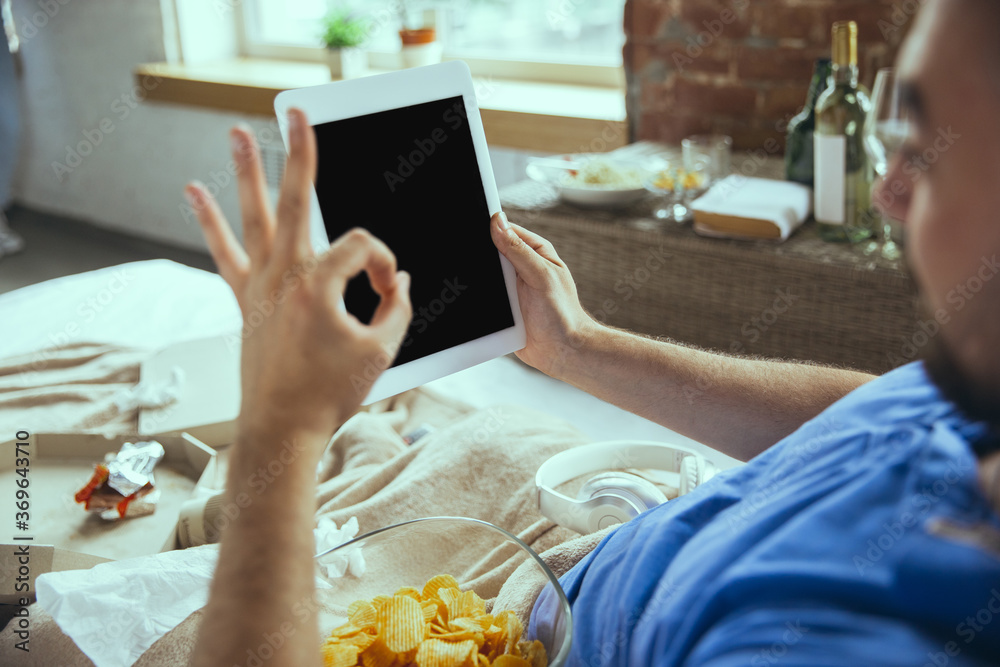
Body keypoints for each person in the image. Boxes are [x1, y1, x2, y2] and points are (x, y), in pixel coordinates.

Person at [188, 0, 1000, 664]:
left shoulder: (831, 642)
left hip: (541, 625)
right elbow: (870, 410)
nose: (889, 192)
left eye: (926, 148)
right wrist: (578, 345)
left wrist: (281, 427)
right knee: (487, 428)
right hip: (595, 545)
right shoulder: (979, 394)